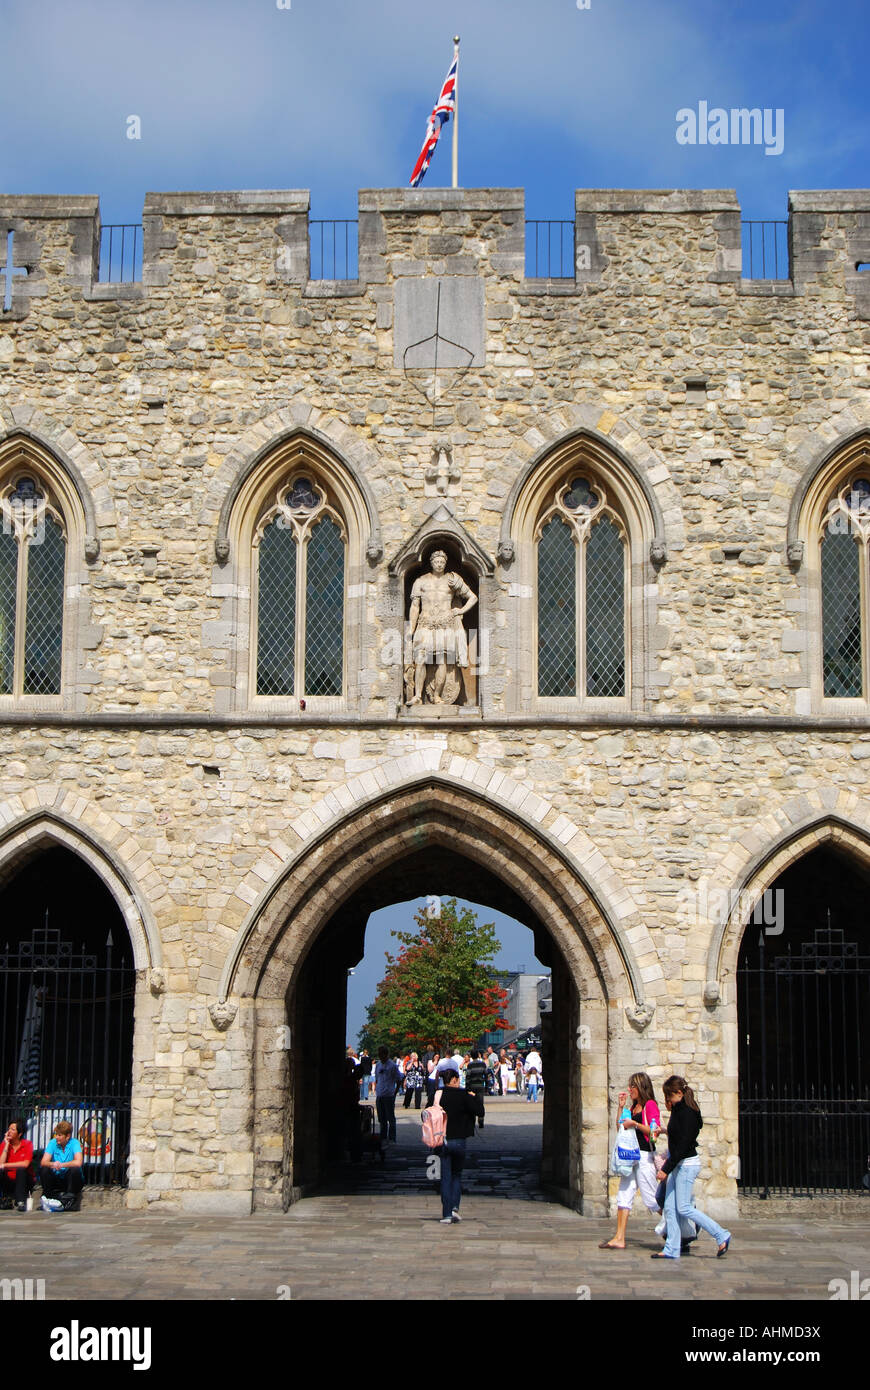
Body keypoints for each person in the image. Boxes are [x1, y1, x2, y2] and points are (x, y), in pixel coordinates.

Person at [652, 1076, 732, 1261]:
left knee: (684, 1207)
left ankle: (721, 1234)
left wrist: (665, 1169)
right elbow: (679, 1133)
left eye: (669, 1096)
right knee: (670, 1208)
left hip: (686, 1165)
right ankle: (671, 1248)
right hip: (678, 1164)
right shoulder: (680, 1110)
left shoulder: (687, 1112)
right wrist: (665, 1131)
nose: (668, 1101)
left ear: (678, 1093)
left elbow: (683, 1145)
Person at [599, 1073, 670, 1251]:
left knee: (651, 1198)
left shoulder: (650, 1105)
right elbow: (621, 1127)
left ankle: (679, 1227)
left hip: (644, 1156)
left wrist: (636, 1125)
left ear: (641, 1088)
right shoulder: (633, 1107)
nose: (629, 1090)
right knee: (624, 1195)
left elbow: (654, 1132)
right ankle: (619, 1237)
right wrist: (621, 1108)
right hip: (630, 1157)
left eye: (633, 1086)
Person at [435, 1068, 484, 1224]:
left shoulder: (437, 1095)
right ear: (455, 1079)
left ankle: (447, 1214)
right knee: (456, 1175)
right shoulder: (463, 1095)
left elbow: (427, 1114)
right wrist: (474, 1098)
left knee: (445, 1177)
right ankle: (455, 1207)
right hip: (459, 1140)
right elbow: (480, 1112)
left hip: (442, 1139)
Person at [40, 1120, 84, 1210]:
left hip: (70, 1179)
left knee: (75, 1169)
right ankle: (48, 1196)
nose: (56, 1137)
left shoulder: (74, 1143)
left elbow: (78, 1162)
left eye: (59, 1135)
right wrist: (53, 1164)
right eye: (56, 1134)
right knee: (44, 1169)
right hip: (57, 1177)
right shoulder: (52, 1143)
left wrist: (62, 1164)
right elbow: (44, 1161)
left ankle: (69, 1198)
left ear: (67, 1136)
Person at [0, 1119, 35, 1211]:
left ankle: (21, 1201)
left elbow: (25, 1163)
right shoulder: (4, 1144)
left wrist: (6, 1165)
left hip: (24, 1179)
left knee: (21, 1170)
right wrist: (6, 1145)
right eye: (9, 1129)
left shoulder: (27, 1144)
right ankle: (5, 1198)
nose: (9, 1132)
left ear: (19, 1134)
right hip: (9, 1179)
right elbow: (0, 1164)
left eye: (13, 1129)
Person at [373, 1046, 401, 1143]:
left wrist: (395, 1092)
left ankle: (392, 1137)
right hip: (380, 1094)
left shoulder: (392, 1066)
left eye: (382, 1055)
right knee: (381, 1118)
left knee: (390, 1117)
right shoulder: (378, 1065)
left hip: (389, 1094)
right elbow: (377, 1078)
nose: (380, 1057)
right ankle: (383, 1136)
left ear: (386, 1054)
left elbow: (399, 1079)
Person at [464, 1050, 488, 1129]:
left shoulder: (470, 1065)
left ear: (471, 1056)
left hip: (472, 1086)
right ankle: (481, 1120)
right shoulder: (482, 1064)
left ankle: (472, 1120)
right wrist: (487, 1086)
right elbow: (486, 1074)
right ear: (478, 1055)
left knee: (472, 1103)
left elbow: (468, 1077)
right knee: (480, 1103)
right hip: (480, 1086)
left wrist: (467, 1087)